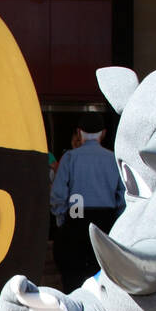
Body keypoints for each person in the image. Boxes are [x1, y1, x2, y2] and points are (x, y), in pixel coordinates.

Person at [50, 112, 124, 292]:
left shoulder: (70, 157)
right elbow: (123, 197)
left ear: (79, 132)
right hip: (106, 223)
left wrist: (62, 220)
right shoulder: (113, 159)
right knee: (104, 278)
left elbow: (57, 195)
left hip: (77, 216)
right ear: (104, 133)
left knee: (73, 281)